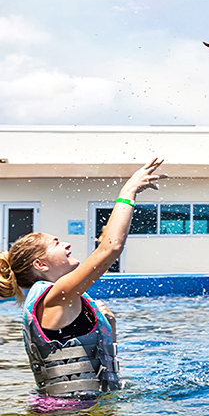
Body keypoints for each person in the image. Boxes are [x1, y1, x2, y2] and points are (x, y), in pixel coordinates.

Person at [0, 159, 165, 401]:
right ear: (41, 265)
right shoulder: (55, 297)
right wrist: (128, 191)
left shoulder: (58, 299)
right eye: (56, 243)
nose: (66, 244)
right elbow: (111, 248)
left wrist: (108, 325)